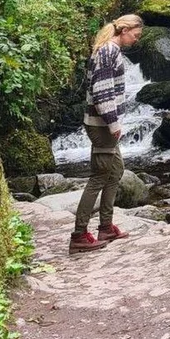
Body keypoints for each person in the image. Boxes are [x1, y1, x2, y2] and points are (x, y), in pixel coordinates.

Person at [69, 13, 144, 254]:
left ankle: (105, 227)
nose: (136, 39)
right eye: (136, 34)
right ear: (125, 30)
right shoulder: (107, 52)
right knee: (99, 176)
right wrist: (113, 123)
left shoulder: (108, 50)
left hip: (104, 124)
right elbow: (102, 93)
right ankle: (79, 234)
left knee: (116, 170)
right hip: (102, 125)